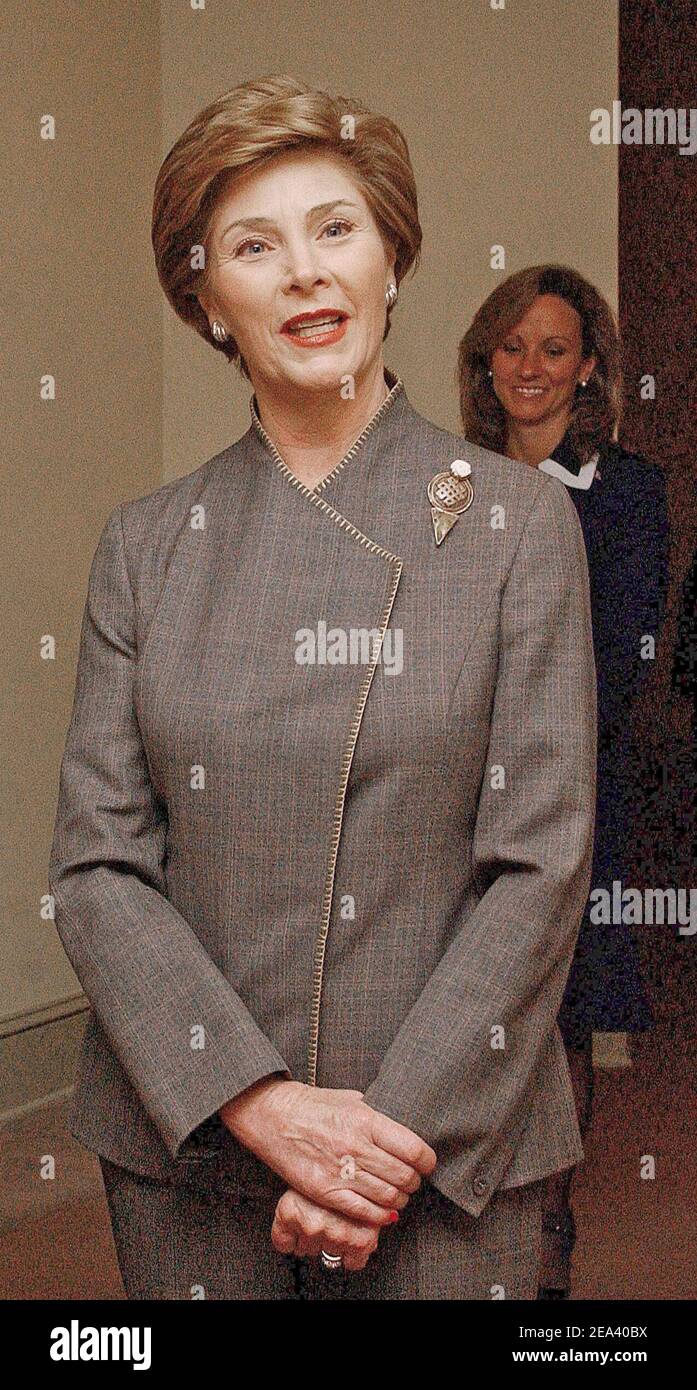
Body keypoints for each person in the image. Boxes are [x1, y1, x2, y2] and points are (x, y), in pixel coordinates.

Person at [48, 80, 596, 1301]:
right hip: (192, 1147)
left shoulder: (516, 525)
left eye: (336, 229)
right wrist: (263, 1107)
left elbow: (540, 862)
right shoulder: (146, 545)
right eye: (254, 245)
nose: (304, 273)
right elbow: (98, 864)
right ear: (205, 298)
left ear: (391, 258)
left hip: (447, 1155)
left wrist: (370, 1146)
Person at [458, 263, 669, 1296]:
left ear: (588, 366)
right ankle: (460, 1213)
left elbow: (623, 655)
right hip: (448, 786)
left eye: (552, 347)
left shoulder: (630, 491)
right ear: (483, 363)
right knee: (465, 1006)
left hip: (575, 786)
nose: (530, 367)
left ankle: (548, 1224)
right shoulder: (440, 481)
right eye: (510, 346)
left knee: (564, 1009)